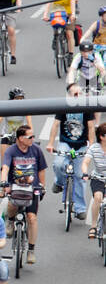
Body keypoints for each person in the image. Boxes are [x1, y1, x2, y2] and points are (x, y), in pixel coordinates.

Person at [0, 124, 47, 264]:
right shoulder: (11, 151)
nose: (33, 138)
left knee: (32, 218)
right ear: (20, 138)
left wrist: (42, 186)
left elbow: (42, 170)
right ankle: (10, 221)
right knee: (12, 204)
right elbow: (5, 167)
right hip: (16, 186)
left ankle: (31, 250)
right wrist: (4, 182)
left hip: (32, 188)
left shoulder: (36, 150)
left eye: (33, 136)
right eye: (30, 136)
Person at [46, 85, 95, 220]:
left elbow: (91, 128)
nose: (78, 96)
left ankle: (80, 209)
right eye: (75, 94)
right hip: (65, 143)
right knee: (58, 164)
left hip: (81, 145)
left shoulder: (86, 108)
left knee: (79, 176)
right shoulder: (64, 107)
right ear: (69, 96)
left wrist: (91, 146)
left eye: (80, 93)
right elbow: (55, 125)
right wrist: (50, 144)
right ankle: (59, 182)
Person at [82, 122, 106, 238]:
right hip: (98, 178)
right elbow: (86, 162)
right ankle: (93, 226)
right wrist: (85, 173)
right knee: (98, 197)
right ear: (102, 137)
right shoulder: (94, 148)